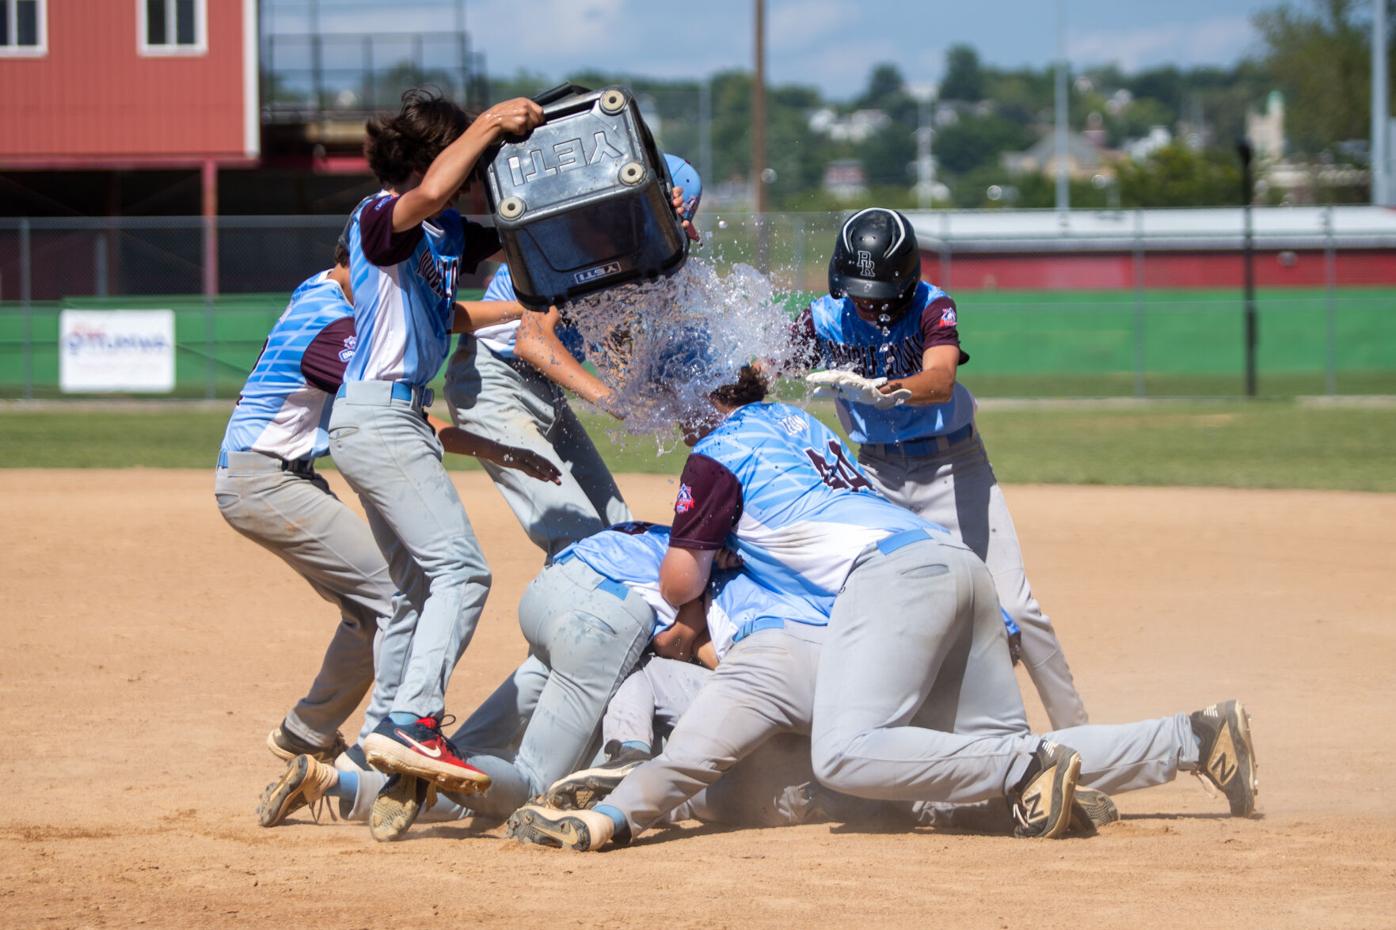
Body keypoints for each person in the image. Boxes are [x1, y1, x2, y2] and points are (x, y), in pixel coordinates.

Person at [506, 366, 1258, 849]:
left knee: (847, 753)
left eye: (674, 395)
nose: (669, 414)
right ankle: (1193, 737)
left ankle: (1025, 765)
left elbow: (678, 590)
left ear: (705, 394)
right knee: (993, 767)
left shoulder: (717, 459)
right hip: (952, 564)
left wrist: (607, 818)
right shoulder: (797, 424)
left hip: (891, 583)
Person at [328, 87, 545, 794]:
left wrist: (530, 304)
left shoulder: (448, 232)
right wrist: (488, 122)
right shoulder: (380, 216)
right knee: (463, 572)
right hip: (379, 414)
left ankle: (368, 760)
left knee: (418, 591)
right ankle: (412, 722)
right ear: (436, 155)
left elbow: (454, 307)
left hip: (395, 419)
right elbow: (422, 198)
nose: (478, 174)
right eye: (470, 158)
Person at [795, 207, 1088, 729]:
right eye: (858, 291)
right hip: (878, 478)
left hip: (953, 466)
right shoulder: (823, 317)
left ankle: (1080, 734)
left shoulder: (933, 306)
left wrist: (889, 390)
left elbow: (941, 379)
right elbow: (759, 367)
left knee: (1016, 608)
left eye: (879, 293)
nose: (866, 303)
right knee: (881, 610)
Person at [442, 154, 704, 558]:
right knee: (575, 534)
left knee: (616, 526)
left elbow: (612, 343)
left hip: (542, 385)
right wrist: (613, 400)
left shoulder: (625, 256)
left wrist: (661, 398)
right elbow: (532, 342)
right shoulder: (574, 238)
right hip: (492, 382)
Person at [215, 241, 395, 764]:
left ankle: (307, 732)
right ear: (352, 261)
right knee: (397, 595)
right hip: (263, 479)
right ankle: (394, 743)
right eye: (381, 271)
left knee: (369, 611)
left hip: (276, 474)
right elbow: (378, 405)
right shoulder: (330, 318)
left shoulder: (319, 289)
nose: (387, 286)